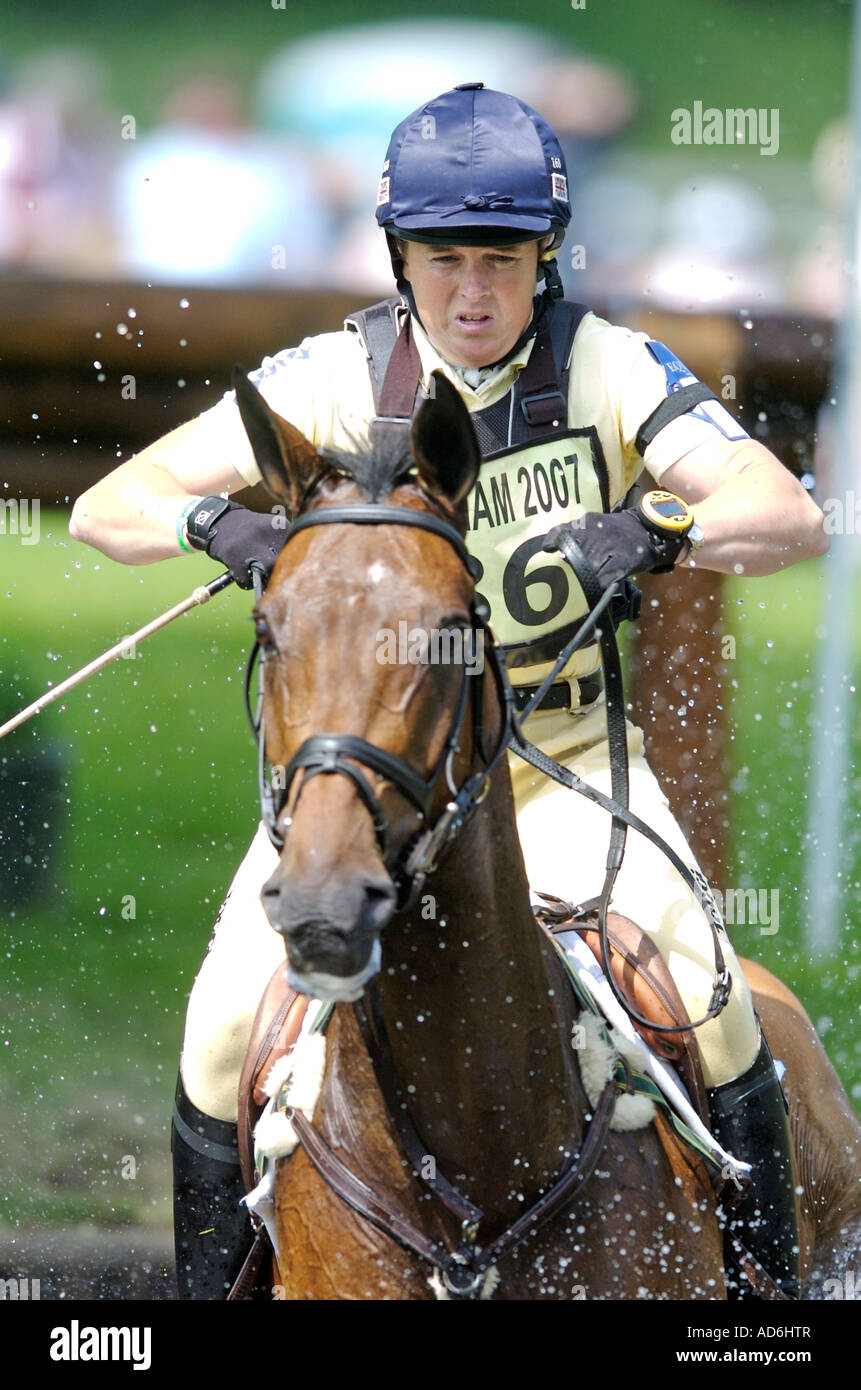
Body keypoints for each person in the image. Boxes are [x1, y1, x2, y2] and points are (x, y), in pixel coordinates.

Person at [69, 83, 827, 1300]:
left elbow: (783, 512)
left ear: (547, 258)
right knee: (219, 1040)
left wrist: (657, 525)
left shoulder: (612, 369)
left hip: (559, 762)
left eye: (502, 261)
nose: (473, 294)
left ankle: (769, 1311)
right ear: (398, 258)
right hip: (371, 784)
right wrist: (220, 524)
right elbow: (106, 508)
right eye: (443, 262)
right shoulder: (332, 378)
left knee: (711, 999)